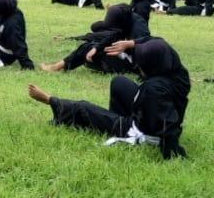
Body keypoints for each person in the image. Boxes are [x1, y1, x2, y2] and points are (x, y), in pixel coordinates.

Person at [27, 38, 190, 160]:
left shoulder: (154, 90)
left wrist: (173, 152)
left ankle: (50, 100)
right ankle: (115, 121)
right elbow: (158, 42)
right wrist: (131, 43)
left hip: (145, 129)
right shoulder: (178, 73)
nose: (139, 68)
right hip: (150, 112)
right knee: (119, 82)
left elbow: (167, 124)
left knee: (84, 107)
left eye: (142, 65)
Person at [40, 4, 149, 74]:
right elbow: (114, 36)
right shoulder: (128, 19)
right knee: (91, 47)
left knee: (87, 48)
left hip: (132, 64)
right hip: (125, 55)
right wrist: (97, 48)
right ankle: (59, 66)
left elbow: (146, 50)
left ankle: (56, 67)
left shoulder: (139, 29)